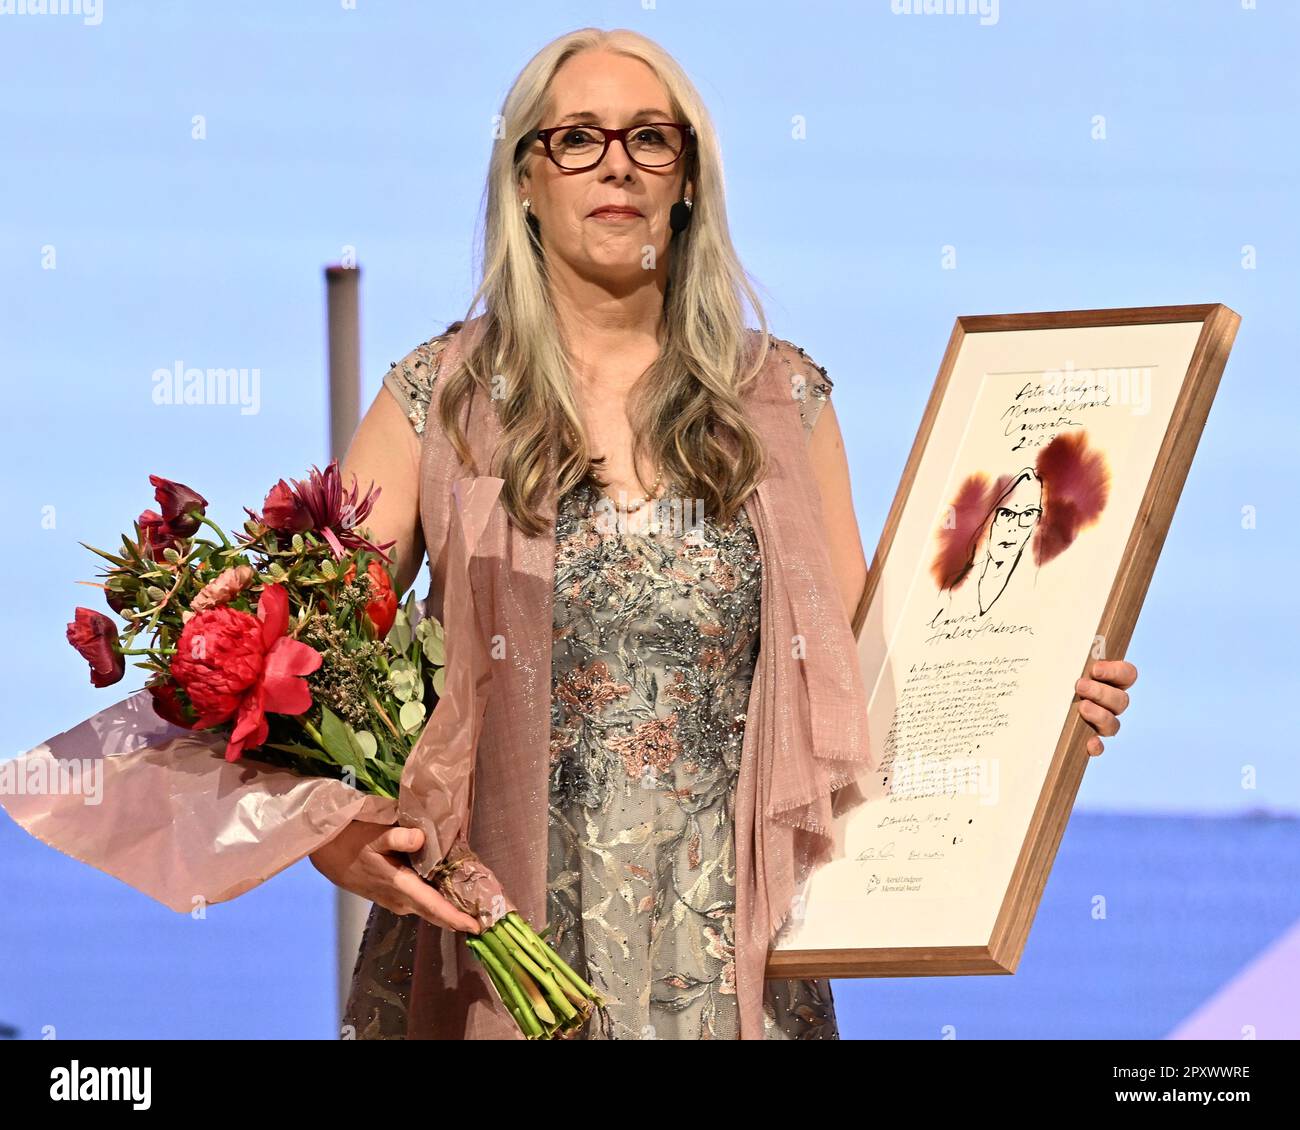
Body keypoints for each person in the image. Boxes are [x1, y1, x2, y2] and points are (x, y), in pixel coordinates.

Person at [309, 27, 1138, 1040]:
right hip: (496, 959)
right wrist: (333, 833)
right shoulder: (435, 395)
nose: (616, 162)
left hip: (731, 970)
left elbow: (871, 682)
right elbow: (301, 668)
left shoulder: (781, 399)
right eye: (576, 137)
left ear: (688, 180)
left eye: (650, 138)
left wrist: (1037, 696)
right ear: (524, 177)